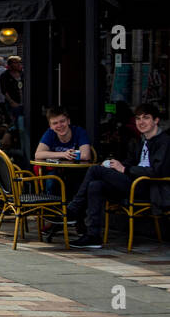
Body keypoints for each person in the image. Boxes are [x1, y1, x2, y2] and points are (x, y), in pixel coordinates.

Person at [68, 103, 170, 249]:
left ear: (156, 120)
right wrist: (114, 165)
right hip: (132, 183)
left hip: (149, 187)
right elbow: (130, 163)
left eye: (146, 118)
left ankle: (74, 209)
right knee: (95, 185)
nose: (141, 122)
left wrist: (125, 169)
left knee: (94, 170)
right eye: (138, 118)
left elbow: (157, 171)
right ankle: (93, 236)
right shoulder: (140, 141)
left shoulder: (164, 142)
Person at [3, 55, 25, 137]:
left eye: (20, 62)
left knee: (22, 123)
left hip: (23, 103)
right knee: (15, 123)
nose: (19, 64)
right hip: (12, 104)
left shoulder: (22, 74)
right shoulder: (5, 75)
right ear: (10, 64)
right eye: (16, 63)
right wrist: (12, 102)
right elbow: (4, 91)